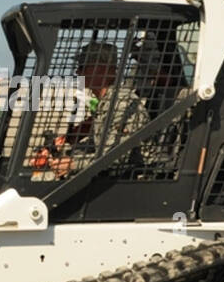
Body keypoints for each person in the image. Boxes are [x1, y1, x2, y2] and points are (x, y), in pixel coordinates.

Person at [47, 40, 150, 179]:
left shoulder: (122, 103)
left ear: (100, 69)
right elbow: (97, 145)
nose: (78, 72)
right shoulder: (106, 103)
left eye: (82, 67)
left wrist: (73, 164)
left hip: (134, 181)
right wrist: (65, 154)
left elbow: (114, 157)